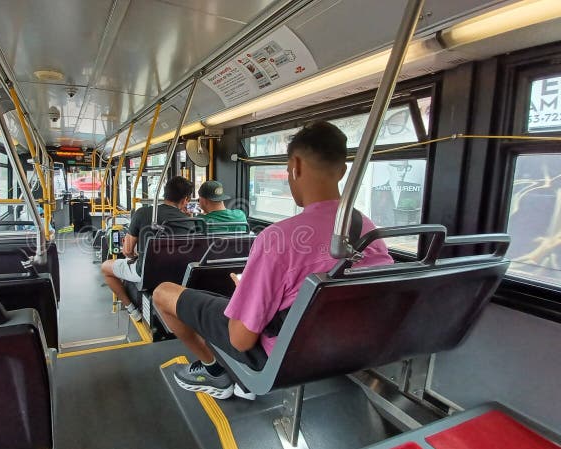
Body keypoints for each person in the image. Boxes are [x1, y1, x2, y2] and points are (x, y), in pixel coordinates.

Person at [152, 122, 394, 399]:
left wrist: (244, 292)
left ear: (296, 166)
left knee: (163, 293)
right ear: (342, 171)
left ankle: (215, 372)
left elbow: (240, 339)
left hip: (283, 357)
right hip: (350, 344)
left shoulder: (277, 237)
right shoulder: (367, 227)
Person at [101, 176, 195, 321]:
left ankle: (132, 309)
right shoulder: (190, 221)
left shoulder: (143, 213)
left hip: (147, 273)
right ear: (185, 199)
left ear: (165, 194)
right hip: (180, 273)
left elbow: (126, 251)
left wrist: (136, 256)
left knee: (106, 268)